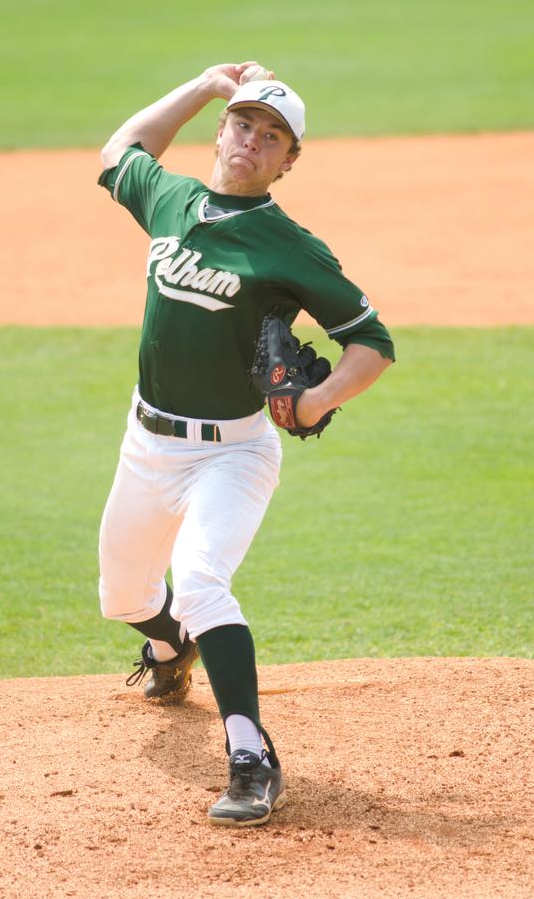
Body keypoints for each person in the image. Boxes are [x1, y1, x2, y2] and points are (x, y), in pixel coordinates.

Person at [97, 61, 394, 827]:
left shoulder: (289, 247)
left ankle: (252, 758)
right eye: (243, 124)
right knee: (124, 597)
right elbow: (120, 151)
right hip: (145, 443)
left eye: (271, 138)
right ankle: (173, 650)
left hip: (231, 453)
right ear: (222, 130)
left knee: (200, 579)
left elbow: (372, 341)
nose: (251, 142)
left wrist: (319, 398)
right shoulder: (171, 198)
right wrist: (204, 85)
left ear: (288, 161)